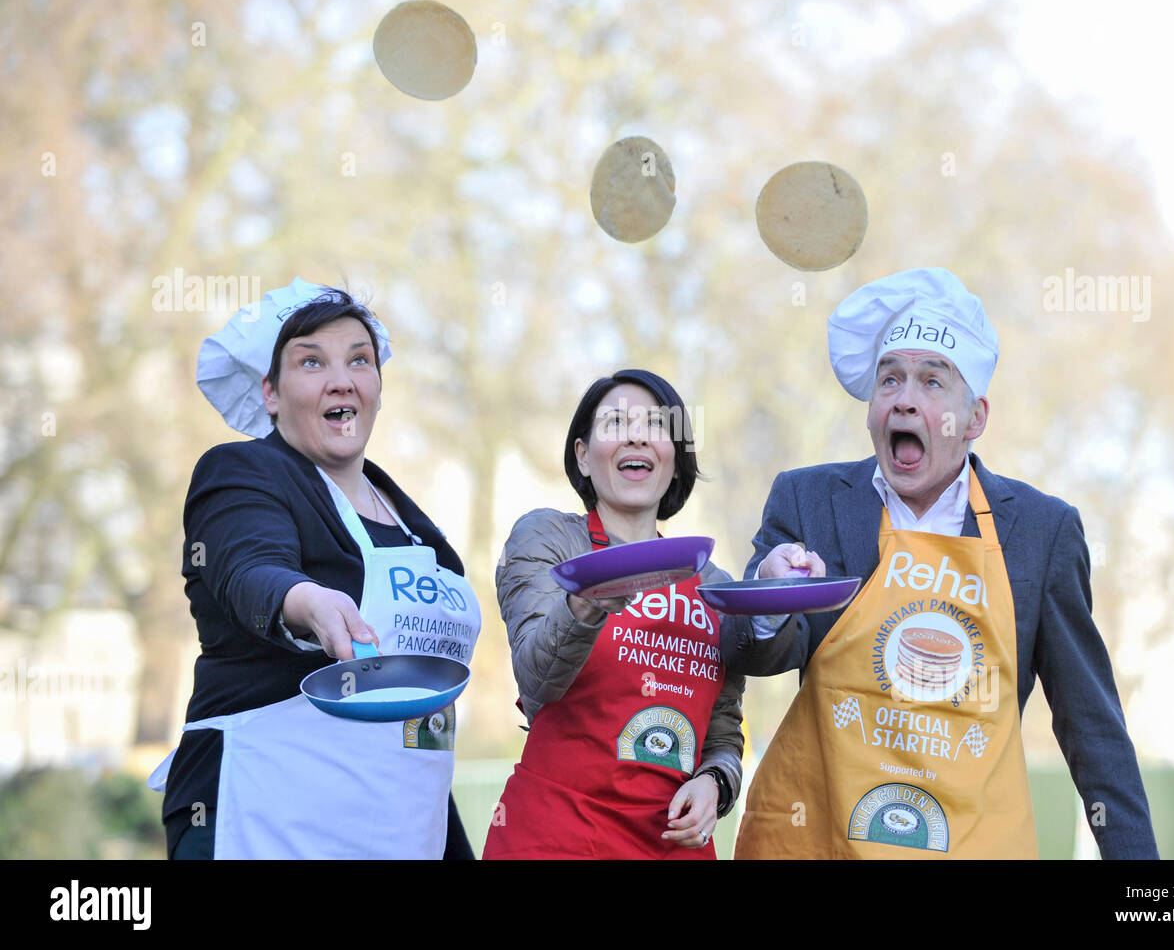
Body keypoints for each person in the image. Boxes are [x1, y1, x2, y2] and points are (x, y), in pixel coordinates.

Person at [726, 268, 1158, 859]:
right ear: (873, 407)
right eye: (890, 379)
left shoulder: (1040, 531)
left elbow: (1092, 727)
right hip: (821, 841)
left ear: (974, 418)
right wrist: (769, 597)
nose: (905, 397)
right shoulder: (807, 501)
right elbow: (754, 654)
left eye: (932, 381)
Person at [148, 278, 481, 859]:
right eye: (311, 361)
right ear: (271, 394)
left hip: (403, 829)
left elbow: (427, 729)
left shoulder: (419, 529)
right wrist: (307, 602)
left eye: (359, 359)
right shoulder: (243, 472)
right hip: (267, 818)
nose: (341, 378)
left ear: (377, 387)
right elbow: (249, 566)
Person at [482, 369, 767, 859]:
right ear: (583, 456)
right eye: (615, 422)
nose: (636, 434)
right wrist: (587, 601)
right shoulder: (549, 540)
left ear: (675, 462)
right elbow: (537, 679)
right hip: (553, 837)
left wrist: (715, 784)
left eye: (656, 424)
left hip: (671, 844)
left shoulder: (715, 585)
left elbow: (723, 729)